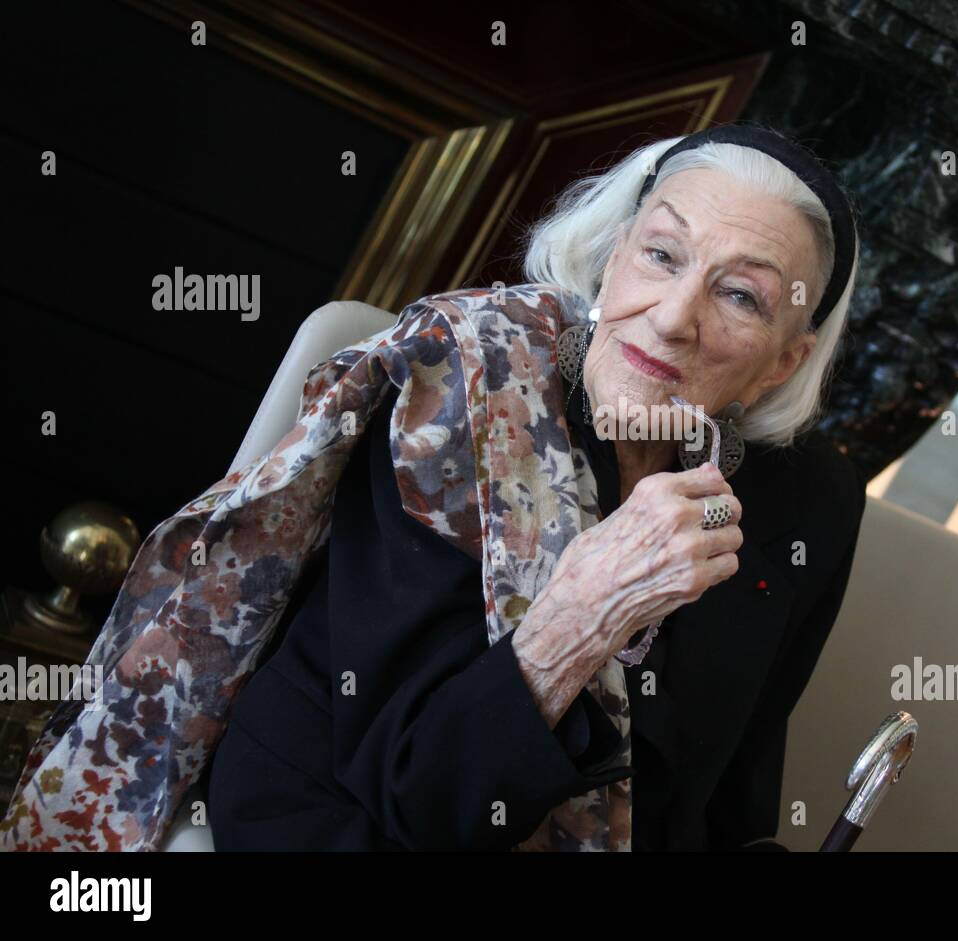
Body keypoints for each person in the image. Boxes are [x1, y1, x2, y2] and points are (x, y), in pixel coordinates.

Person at [2, 123, 867, 852]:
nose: (677, 315)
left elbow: (732, 797)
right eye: (662, 253)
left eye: (742, 298)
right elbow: (417, 792)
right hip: (348, 817)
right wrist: (585, 612)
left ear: (784, 361)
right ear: (612, 260)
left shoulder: (808, 505)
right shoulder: (464, 380)